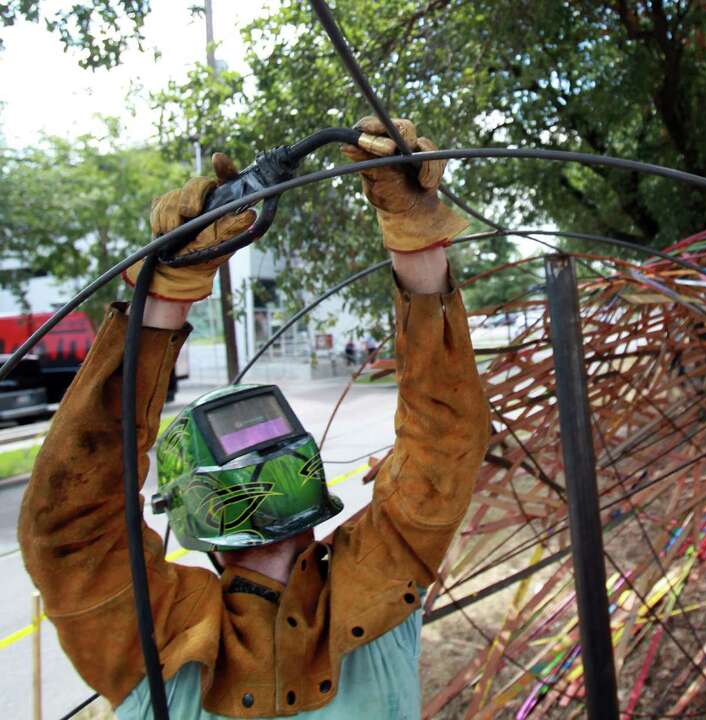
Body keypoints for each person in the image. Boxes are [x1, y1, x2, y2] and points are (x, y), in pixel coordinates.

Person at [18, 117, 490, 718]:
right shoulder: (376, 587)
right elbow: (444, 439)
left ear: (191, 513)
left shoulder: (157, 639)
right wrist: (415, 238)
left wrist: (166, 288)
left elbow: (70, 525)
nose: (257, 458)